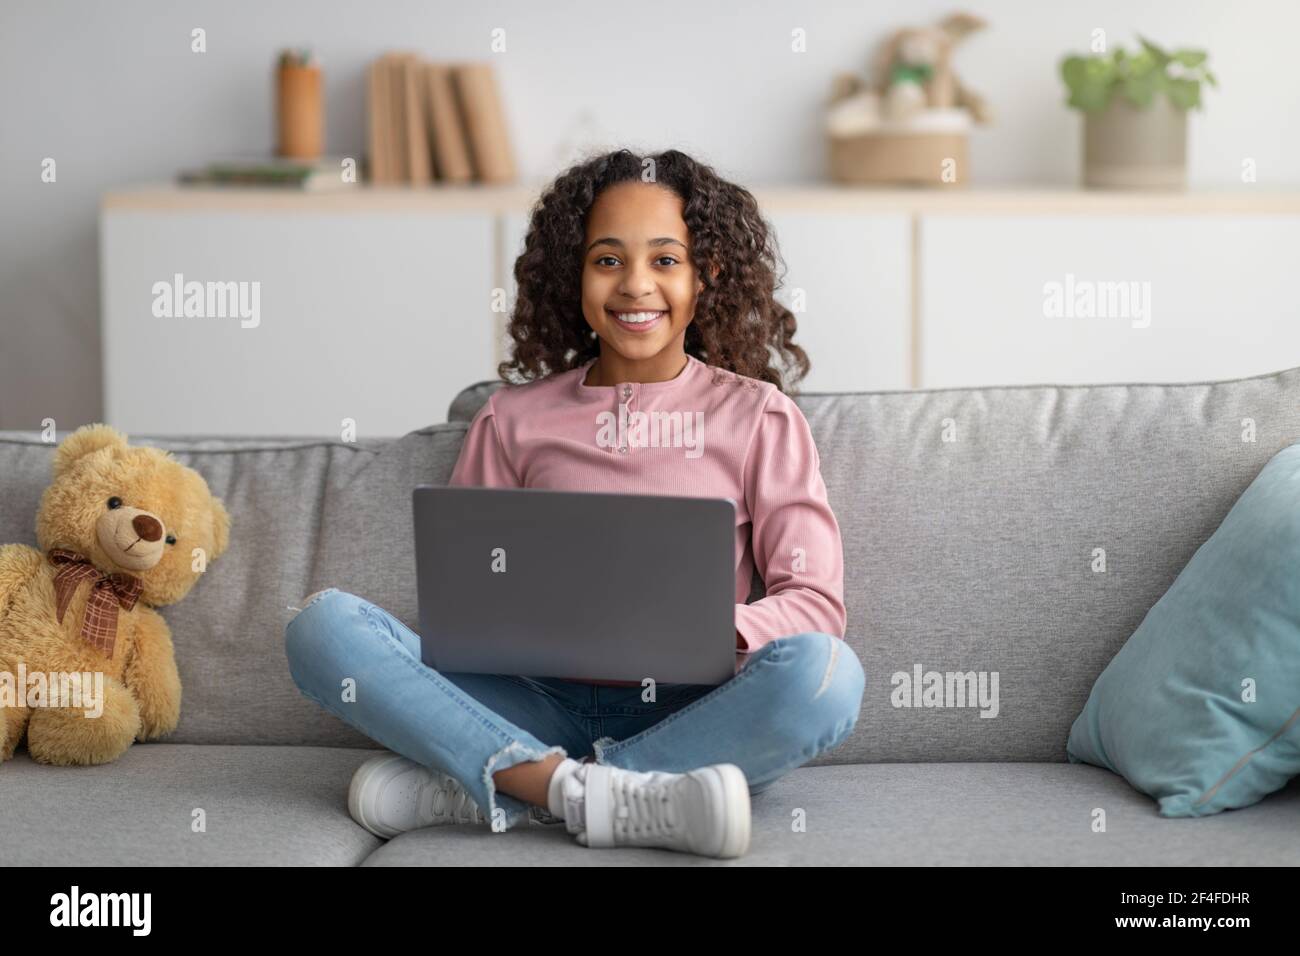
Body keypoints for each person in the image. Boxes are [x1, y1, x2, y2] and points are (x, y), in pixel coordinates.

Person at [284, 148, 865, 859]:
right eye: (608, 260)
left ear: (705, 275)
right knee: (323, 628)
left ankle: (513, 789)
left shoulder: (759, 418)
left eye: (665, 260)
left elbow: (814, 603)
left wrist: (707, 630)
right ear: (576, 275)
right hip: (532, 698)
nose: (636, 286)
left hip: (690, 707)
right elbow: (463, 599)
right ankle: (602, 797)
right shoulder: (513, 419)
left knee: (827, 676)